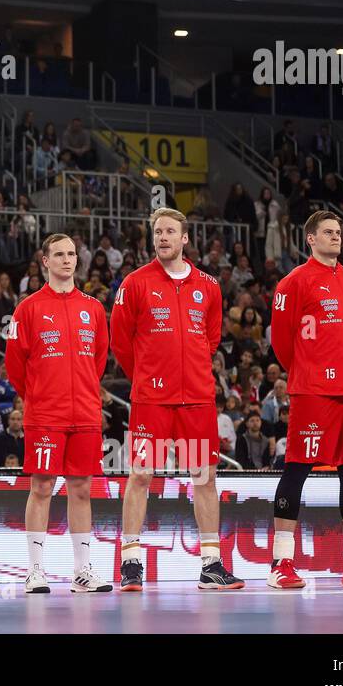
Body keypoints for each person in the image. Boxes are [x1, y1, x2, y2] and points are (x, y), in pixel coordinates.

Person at [111, 208, 244, 591]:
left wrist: (191, 372)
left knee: (204, 478)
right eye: (157, 232)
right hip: (151, 400)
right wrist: (151, 373)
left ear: (185, 238)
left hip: (198, 399)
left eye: (170, 231)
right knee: (140, 476)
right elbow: (120, 341)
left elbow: (212, 338)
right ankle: (131, 562)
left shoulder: (209, 286)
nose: (163, 237)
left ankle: (211, 564)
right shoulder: (135, 283)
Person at [267, 211, 343, 589]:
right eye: (328, 233)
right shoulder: (293, 282)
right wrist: (308, 371)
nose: (336, 237)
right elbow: (281, 342)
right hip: (314, 391)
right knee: (298, 468)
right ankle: (280, 563)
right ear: (310, 239)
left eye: (339, 232)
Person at [5, 233, 113, 593]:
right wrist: (38, 396)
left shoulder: (94, 309)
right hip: (45, 414)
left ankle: (82, 570)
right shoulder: (27, 308)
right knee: (42, 487)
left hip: (84, 412)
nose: (67, 260)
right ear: (45, 261)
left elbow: (98, 361)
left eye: (71, 254)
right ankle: (35, 570)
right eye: (59, 255)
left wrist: (81, 393)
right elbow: (15, 366)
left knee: (82, 488)